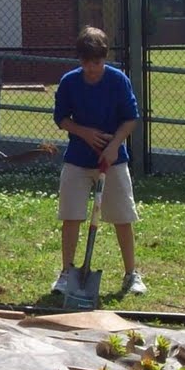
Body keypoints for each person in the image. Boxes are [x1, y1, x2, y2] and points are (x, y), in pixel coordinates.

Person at [52, 26, 145, 298]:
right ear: (79, 60)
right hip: (78, 161)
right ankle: (67, 272)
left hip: (113, 160)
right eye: (86, 62)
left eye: (97, 62)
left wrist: (114, 146)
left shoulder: (118, 81)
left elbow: (131, 118)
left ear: (104, 58)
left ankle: (131, 274)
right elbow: (61, 118)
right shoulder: (69, 82)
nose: (91, 68)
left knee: (122, 217)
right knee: (71, 216)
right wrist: (85, 133)